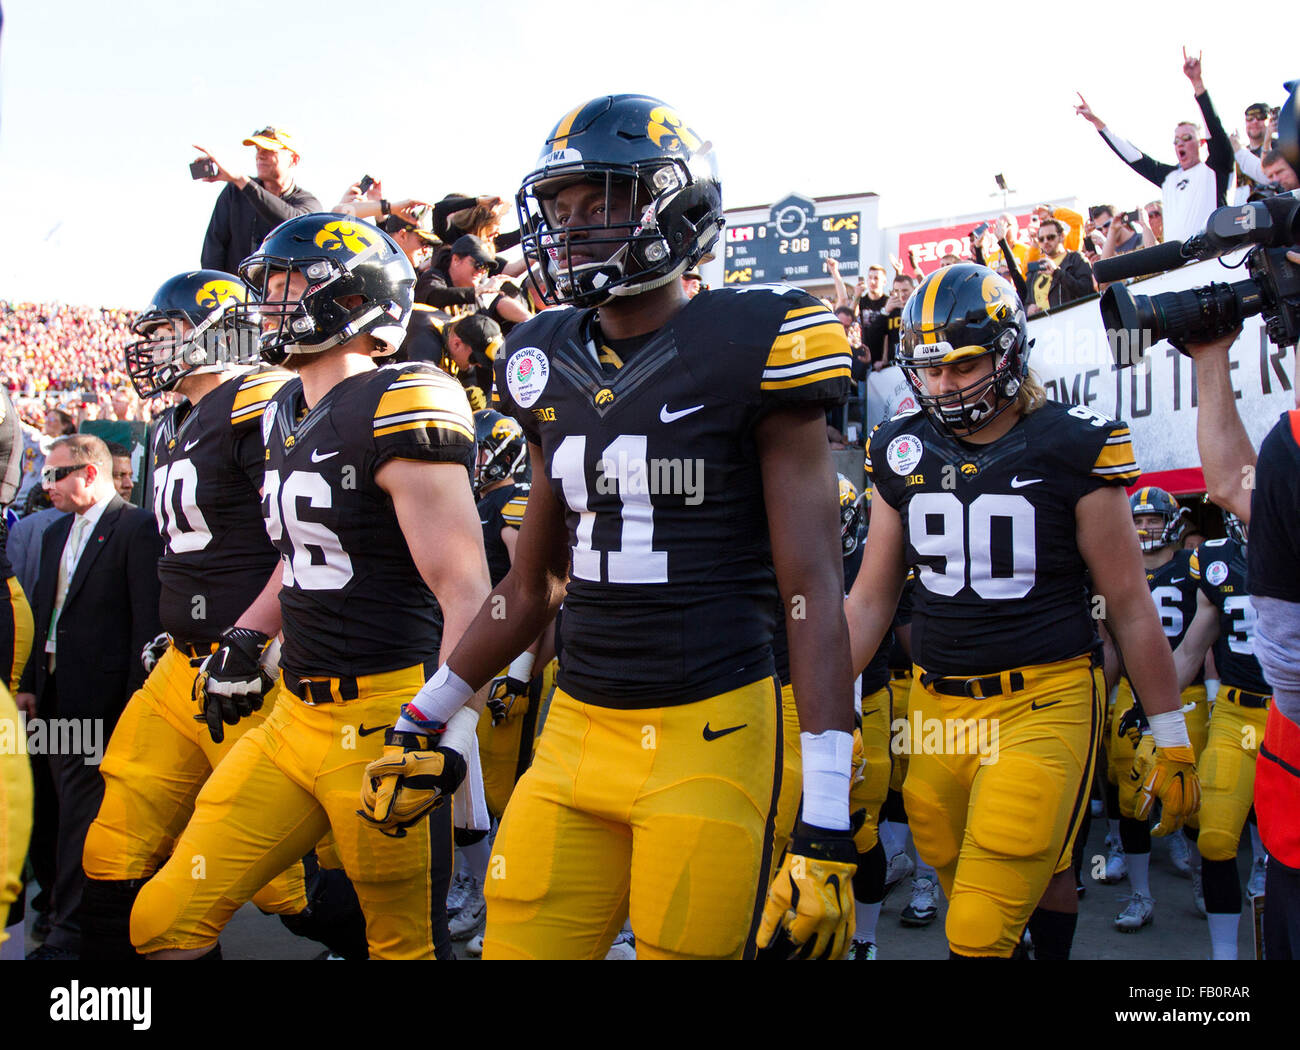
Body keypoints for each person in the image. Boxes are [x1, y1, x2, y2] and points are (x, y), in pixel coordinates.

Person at [386, 93, 858, 960]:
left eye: (600, 203)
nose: (572, 229)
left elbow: (812, 589)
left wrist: (827, 815)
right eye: (559, 210)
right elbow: (533, 587)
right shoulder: (540, 356)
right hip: (575, 726)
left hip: (713, 725)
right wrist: (426, 713)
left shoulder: (760, 336)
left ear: (676, 206)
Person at [130, 214, 491, 961]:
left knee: (406, 947)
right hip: (293, 715)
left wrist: (448, 727)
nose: (269, 303)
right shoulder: (283, 413)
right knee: (163, 921)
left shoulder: (399, 398)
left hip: (388, 711)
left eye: (291, 284)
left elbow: (464, 585)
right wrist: (246, 634)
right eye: (268, 286)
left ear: (354, 299)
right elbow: (296, 561)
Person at [843, 263, 1199, 959]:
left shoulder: (1074, 444)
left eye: (965, 363)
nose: (945, 384)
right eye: (931, 369)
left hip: (1043, 700)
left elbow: (1128, 604)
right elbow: (871, 599)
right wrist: (820, 714)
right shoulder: (900, 448)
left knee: (978, 924)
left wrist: (1173, 733)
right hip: (936, 707)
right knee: (975, 864)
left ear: (1009, 349)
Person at [80, 270, 364, 961]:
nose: (156, 348)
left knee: (284, 889)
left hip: (248, 673)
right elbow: (188, 552)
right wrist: (175, 627)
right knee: (114, 844)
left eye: (170, 331)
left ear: (220, 332)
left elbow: (304, 535)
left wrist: (258, 637)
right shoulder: (172, 421)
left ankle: (388, 943)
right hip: (183, 665)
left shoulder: (261, 400)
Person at [16, 434, 163, 958]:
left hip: (102, 706)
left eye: (56, 474)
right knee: (53, 809)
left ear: (90, 473)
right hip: (53, 695)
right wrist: (32, 684)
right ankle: (58, 912)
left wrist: (133, 707)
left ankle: (71, 933)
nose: (46, 484)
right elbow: (42, 611)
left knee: (82, 814)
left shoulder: (135, 528)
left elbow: (144, 624)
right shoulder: (57, 532)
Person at [1105, 487, 1207, 933]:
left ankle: (1201, 864)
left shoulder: (1194, 568)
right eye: (1139, 520)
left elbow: (1208, 636)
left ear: (1173, 520)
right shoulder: (1113, 570)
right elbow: (1108, 638)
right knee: (1130, 794)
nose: (1145, 528)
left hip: (1190, 694)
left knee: (1194, 791)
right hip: (1130, 690)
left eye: (1152, 520)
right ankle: (1140, 894)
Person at [1172, 517, 1270, 959]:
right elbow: (1192, 649)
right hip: (1236, 712)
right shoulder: (1218, 562)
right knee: (1214, 838)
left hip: (1293, 715)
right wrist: (1152, 716)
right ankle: (1225, 956)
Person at [1075, 50, 1233, 242]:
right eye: (1176, 141)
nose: (1180, 144)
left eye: (1187, 138)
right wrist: (1098, 123)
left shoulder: (1215, 168)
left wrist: (1197, 84)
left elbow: (1215, 130)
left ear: (1201, 143)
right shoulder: (1169, 177)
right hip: (1179, 261)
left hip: (1216, 255)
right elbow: (1134, 157)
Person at [196, 127, 323, 275]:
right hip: (236, 293)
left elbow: (294, 223)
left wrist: (242, 181)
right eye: (257, 149)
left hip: (280, 295)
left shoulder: (308, 202)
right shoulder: (235, 191)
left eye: (269, 150)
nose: (260, 156)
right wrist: (217, 286)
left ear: (293, 159)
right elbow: (213, 249)